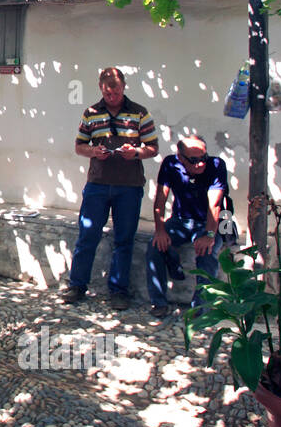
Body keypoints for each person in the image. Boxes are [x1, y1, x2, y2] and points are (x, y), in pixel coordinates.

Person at [62, 67, 158, 310]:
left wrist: (135, 152)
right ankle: (77, 285)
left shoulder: (139, 113)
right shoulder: (91, 113)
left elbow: (153, 147)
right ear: (101, 90)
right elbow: (79, 146)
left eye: (115, 93)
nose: (112, 97)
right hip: (98, 184)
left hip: (129, 186)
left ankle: (118, 290)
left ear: (123, 87)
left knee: (124, 239)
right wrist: (93, 151)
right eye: (107, 93)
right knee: (87, 235)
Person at [146, 135, 227, 319]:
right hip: (181, 220)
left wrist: (208, 234)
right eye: (194, 160)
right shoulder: (170, 164)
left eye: (203, 158)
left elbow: (214, 204)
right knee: (154, 247)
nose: (200, 164)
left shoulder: (216, 166)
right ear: (180, 157)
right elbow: (160, 199)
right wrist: (160, 230)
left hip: (209, 220)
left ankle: (200, 308)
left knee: (207, 253)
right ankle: (158, 302)